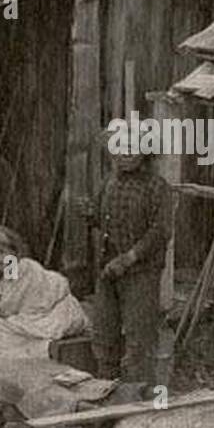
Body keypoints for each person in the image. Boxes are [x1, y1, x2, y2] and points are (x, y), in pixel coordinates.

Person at [72, 135, 173, 389]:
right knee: (104, 332)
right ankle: (106, 391)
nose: (126, 154)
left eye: (132, 149)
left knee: (139, 338)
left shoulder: (157, 186)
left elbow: (160, 231)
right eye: (121, 149)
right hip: (109, 270)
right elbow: (101, 220)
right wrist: (89, 213)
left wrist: (128, 258)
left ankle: (140, 398)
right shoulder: (109, 182)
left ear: (143, 154)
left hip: (141, 272)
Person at [0, 226, 88, 406]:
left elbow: (9, 306)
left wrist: (1, 308)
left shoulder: (22, 266)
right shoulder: (10, 271)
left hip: (55, 315)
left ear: (13, 251)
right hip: (38, 315)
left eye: (2, 252)